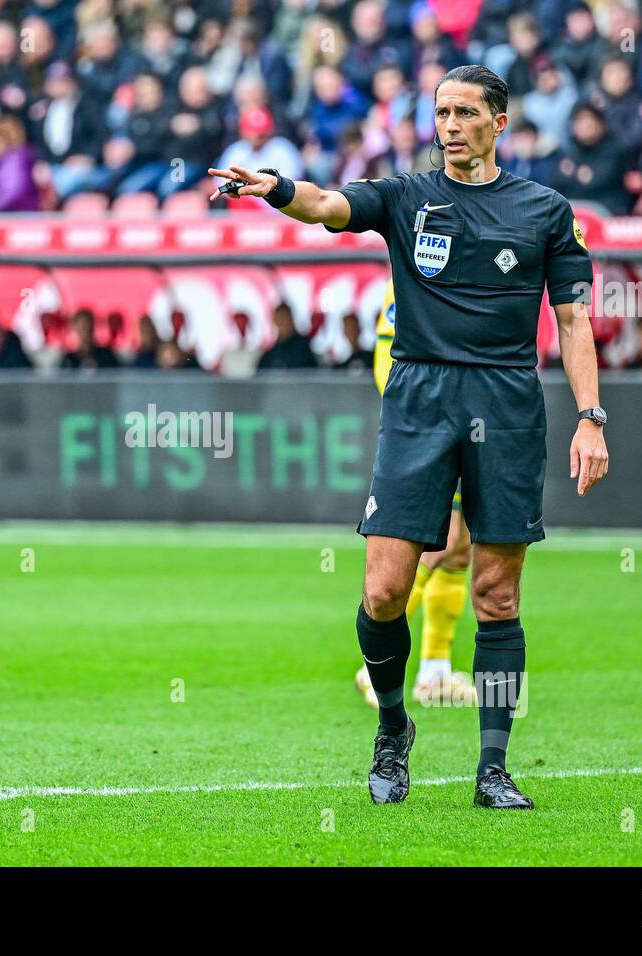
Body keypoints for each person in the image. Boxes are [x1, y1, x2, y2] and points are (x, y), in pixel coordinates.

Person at [209, 64, 608, 810]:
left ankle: (493, 768)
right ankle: (394, 728)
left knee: (496, 593)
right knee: (385, 588)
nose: (450, 125)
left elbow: (576, 319)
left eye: (465, 113)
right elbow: (329, 204)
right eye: (441, 113)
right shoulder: (407, 196)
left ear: (499, 123)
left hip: (508, 399)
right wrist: (277, 188)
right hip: (420, 397)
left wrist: (591, 416)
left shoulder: (547, 210)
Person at [355, 281, 475, 711]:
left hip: (469, 411)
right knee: (439, 542)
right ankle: (376, 664)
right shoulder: (411, 268)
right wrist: (419, 412)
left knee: (459, 549)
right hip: (429, 420)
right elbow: (385, 352)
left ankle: (435, 672)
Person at [256, 303, 317, 370]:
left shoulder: (304, 347)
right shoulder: (271, 353)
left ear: (291, 319)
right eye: (279, 319)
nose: (283, 323)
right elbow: (261, 373)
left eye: (285, 318)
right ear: (275, 321)